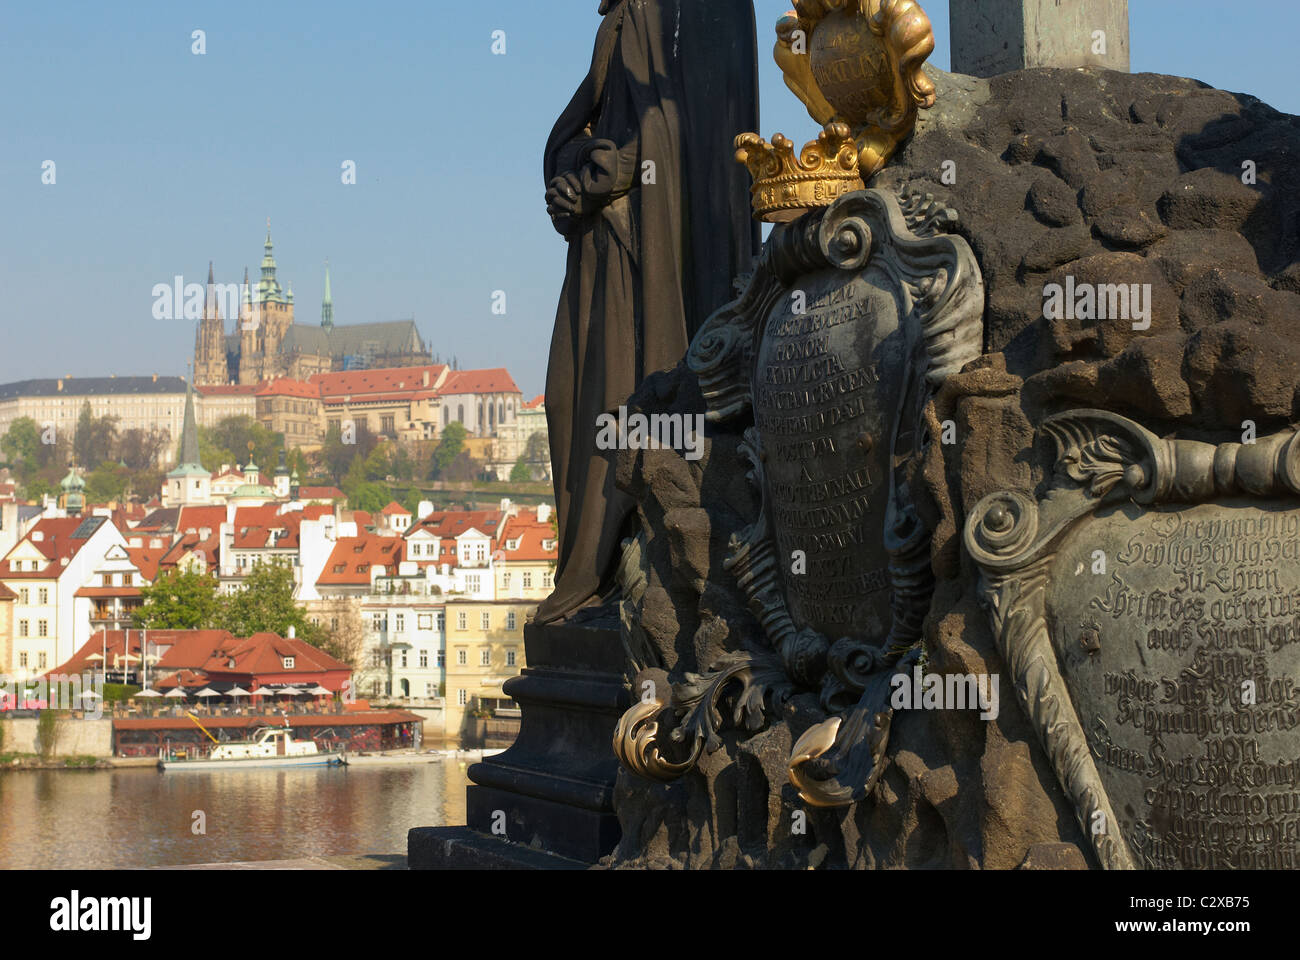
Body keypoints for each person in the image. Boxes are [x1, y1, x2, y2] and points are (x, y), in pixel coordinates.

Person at [536, 0, 760, 624]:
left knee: (609, 396)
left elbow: (689, 134)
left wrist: (607, 174)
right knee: (566, 398)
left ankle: (621, 564)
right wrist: (571, 174)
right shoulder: (623, 18)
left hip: (639, 252)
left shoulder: (677, 14)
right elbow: (579, 126)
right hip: (602, 243)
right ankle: (592, 567)